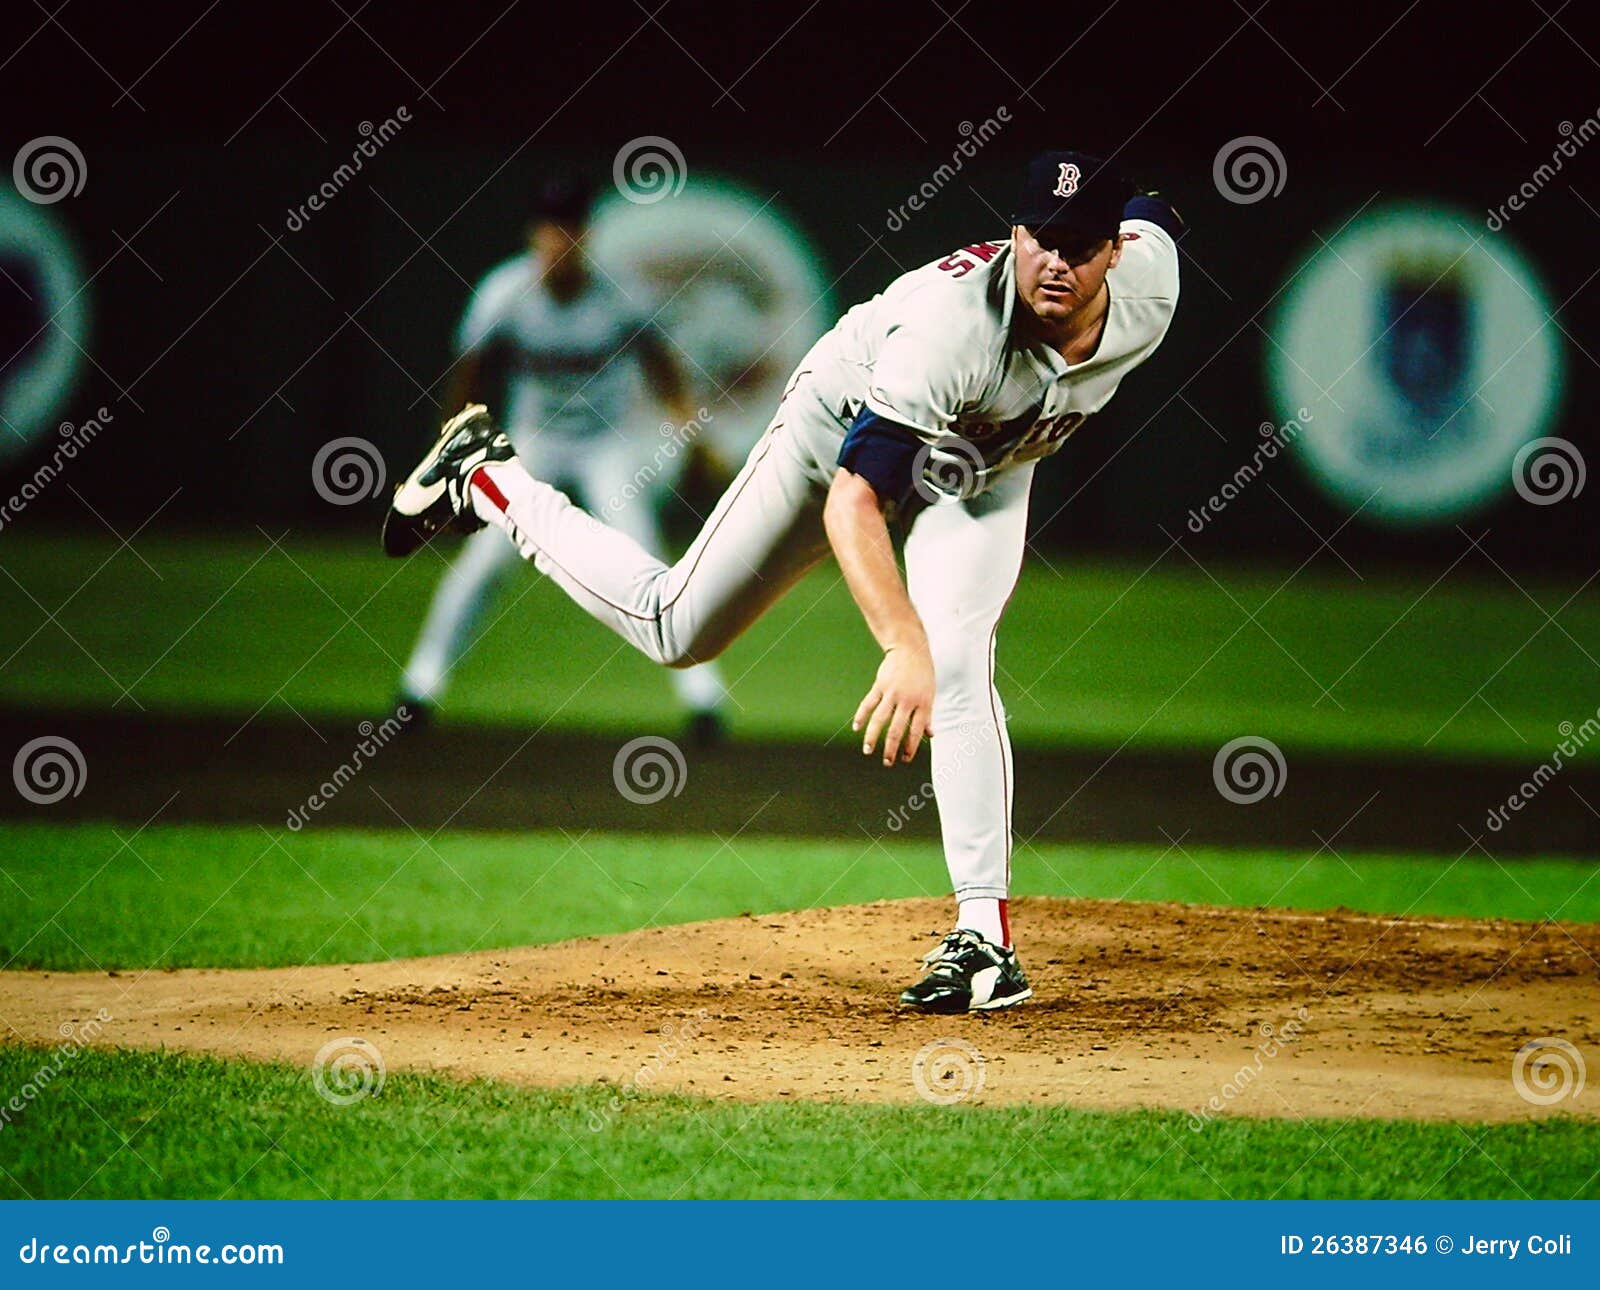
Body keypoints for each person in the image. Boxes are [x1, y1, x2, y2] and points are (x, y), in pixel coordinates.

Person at [383, 151, 1183, 1012]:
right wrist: (897, 639)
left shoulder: (1154, 279)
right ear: (1015, 234)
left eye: (1079, 244)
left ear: (1114, 252)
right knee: (675, 629)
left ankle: (984, 941)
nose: (1053, 261)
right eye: (1038, 238)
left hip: (981, 473)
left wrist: (930, 647)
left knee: (960, 661)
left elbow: (1159, 209)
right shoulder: (949, 329)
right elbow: (854, 505)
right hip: (834, 442)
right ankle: (486, 479)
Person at [394, 172, 729, 744]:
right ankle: (420, 688)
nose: (559, 241)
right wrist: (449, 448)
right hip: (534, 441)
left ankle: (703, 698)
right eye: (550, 230)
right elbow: (468, 374)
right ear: (534, 235)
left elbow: (662, 364)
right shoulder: (505, 292)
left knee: (643, 555)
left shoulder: (619, 292)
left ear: (586, 236)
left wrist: (690, 430)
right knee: (483, 564)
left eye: (569, 230)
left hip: (607, 444)